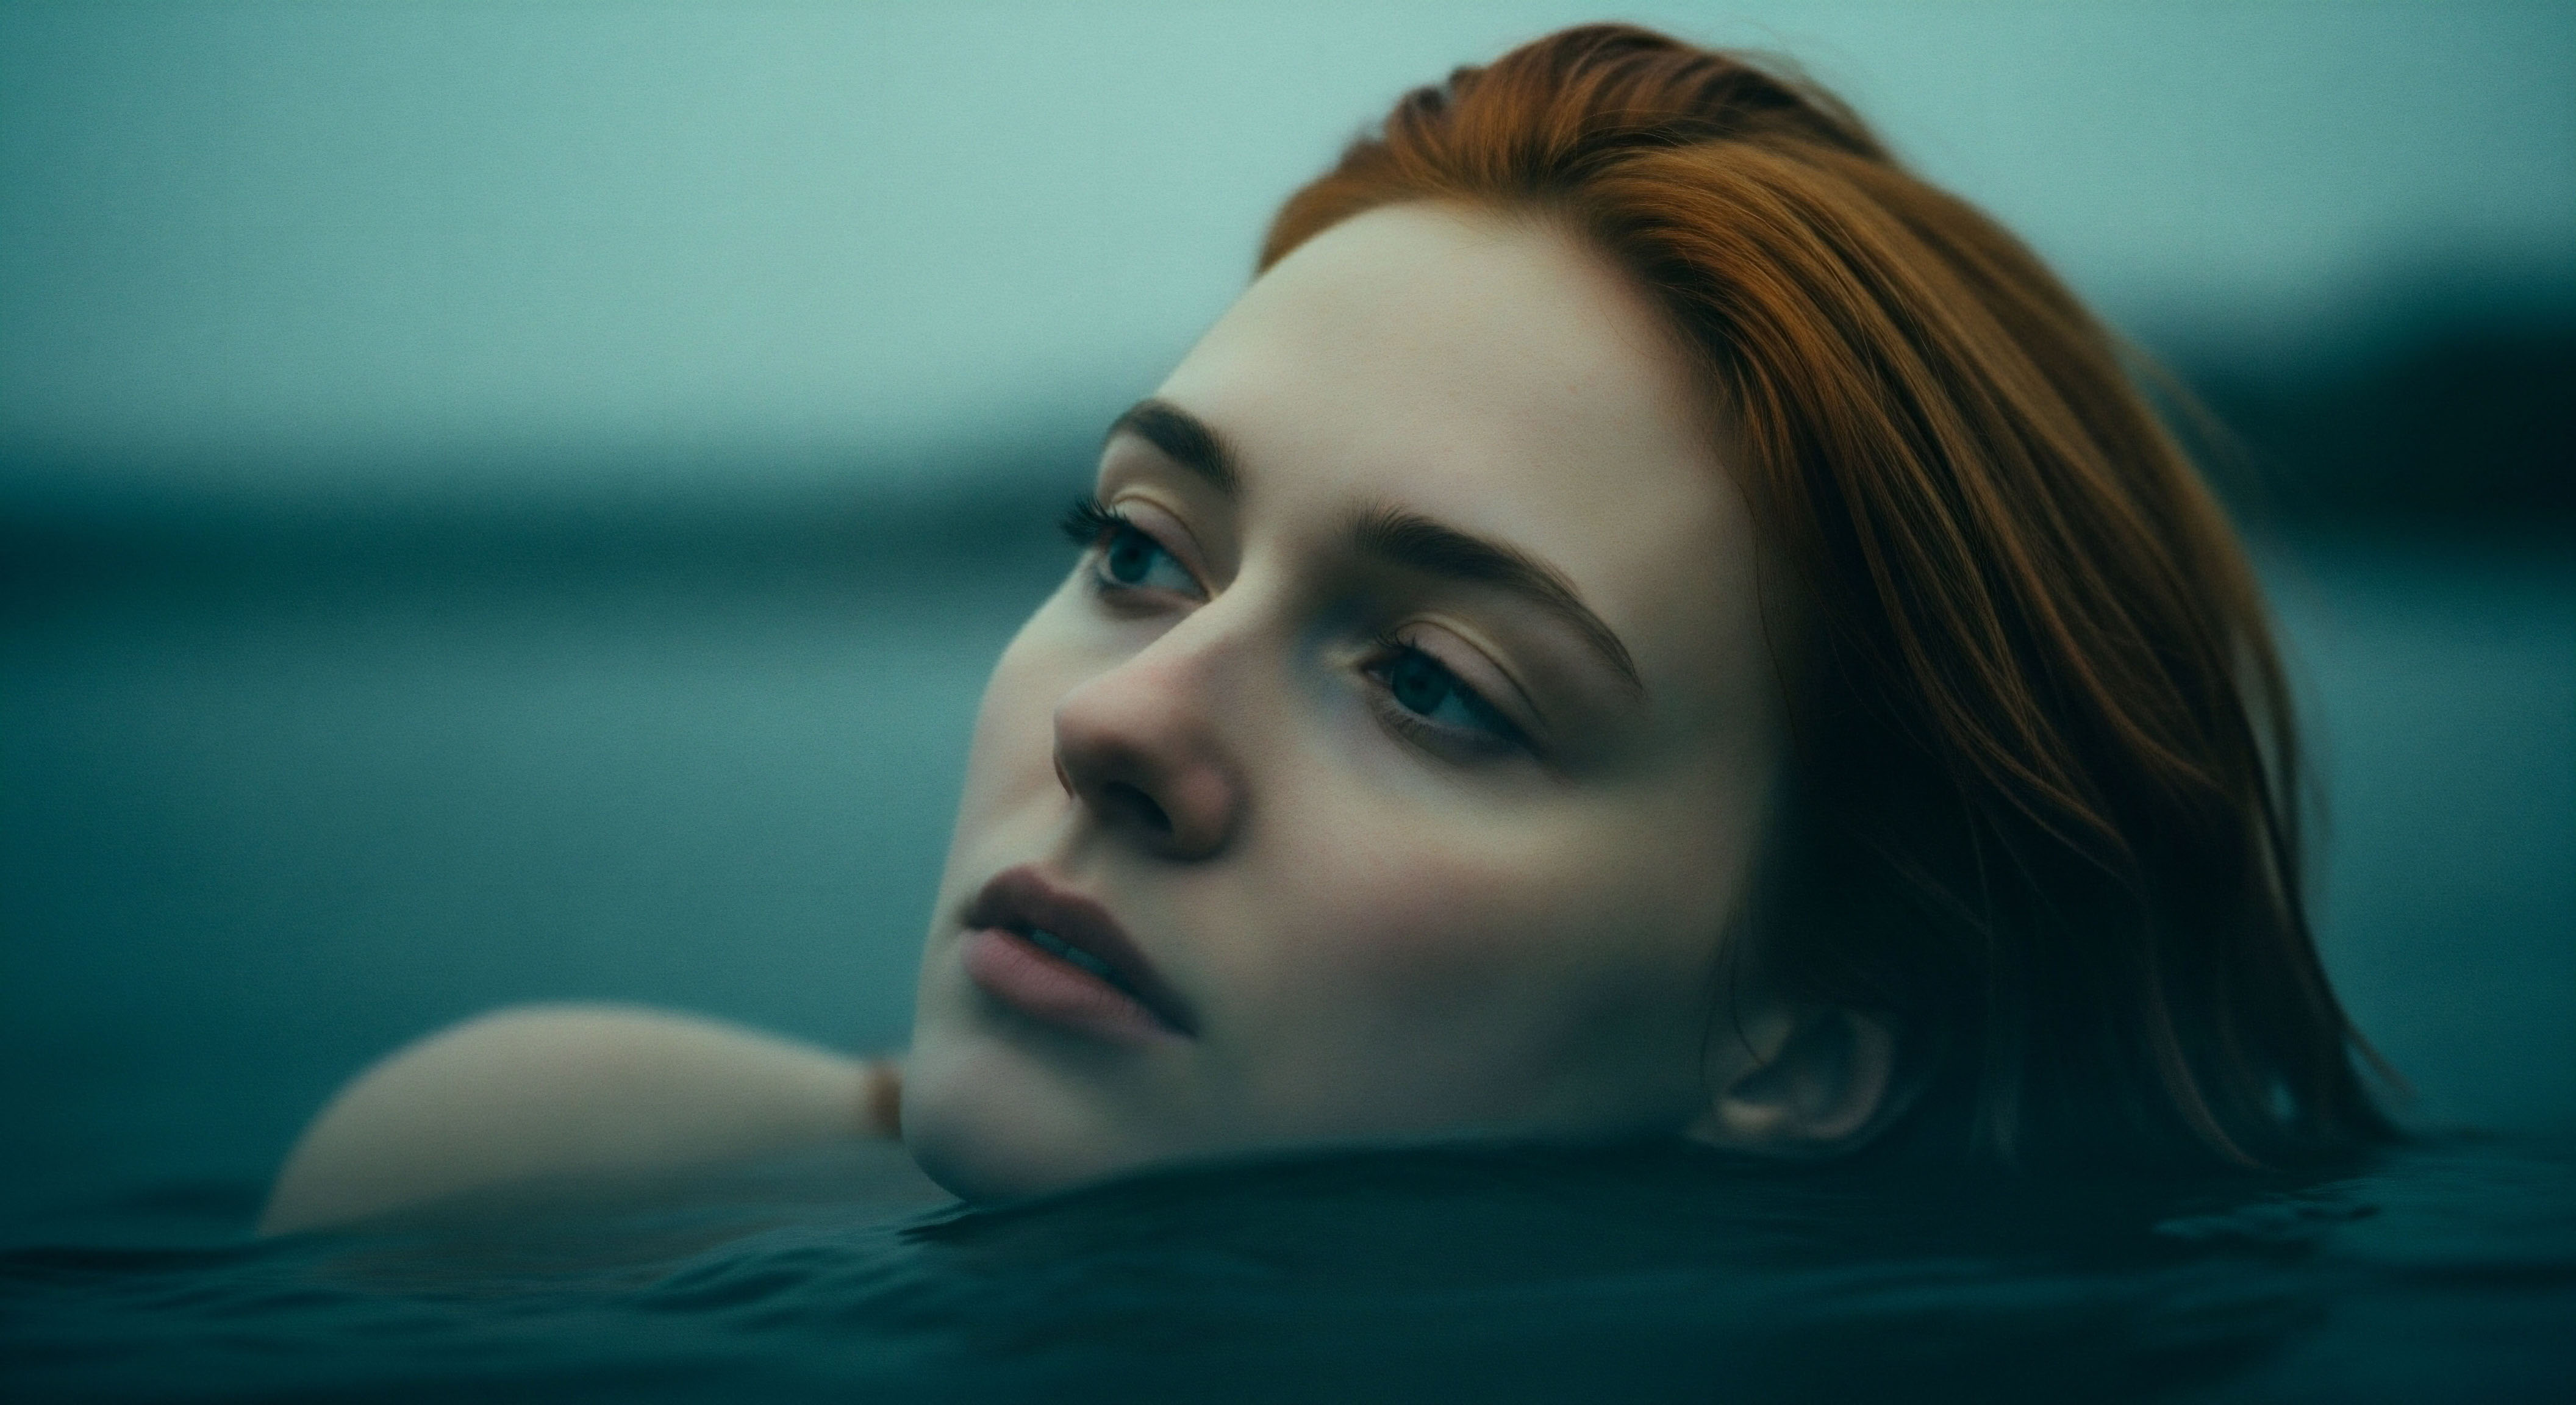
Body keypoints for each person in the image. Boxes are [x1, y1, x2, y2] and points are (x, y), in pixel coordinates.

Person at [259, 23, 2391, 1234]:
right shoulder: (522, 1222)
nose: (1128, 728)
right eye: (1141, 552)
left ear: (1804, 1036)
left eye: (1439, 688)